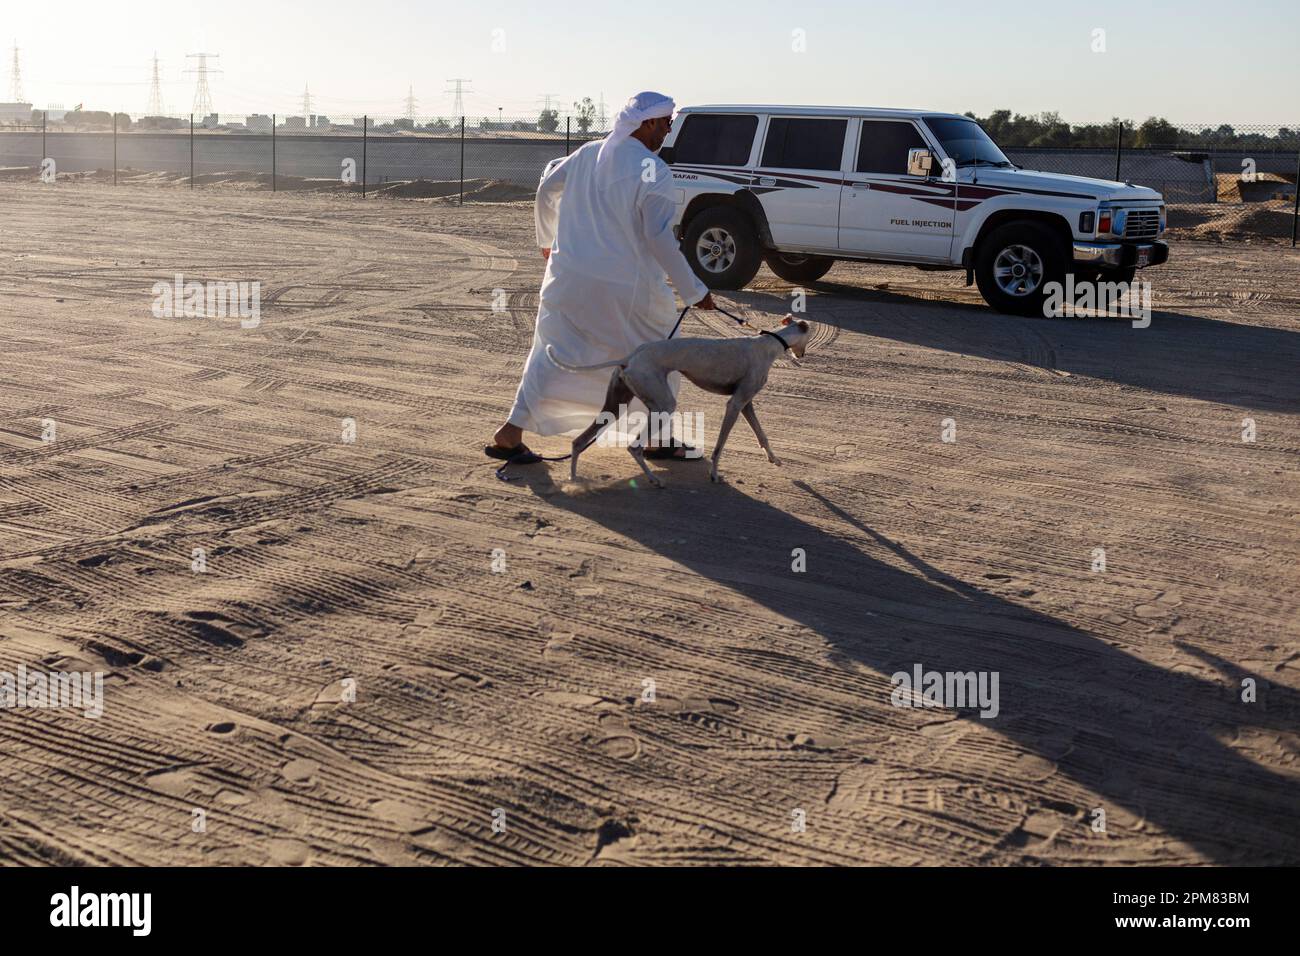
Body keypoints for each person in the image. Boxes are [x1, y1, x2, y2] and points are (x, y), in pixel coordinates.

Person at [485, 90, 717, 463]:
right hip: (628, 292)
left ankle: (510, 432)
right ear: (650, 123)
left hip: (567, 280)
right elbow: (659, 238)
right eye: (667, 124)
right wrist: (694, 290)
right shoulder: (653, 170)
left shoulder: (588, 152)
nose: (668, 133)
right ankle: (657, 438)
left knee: (549, 354)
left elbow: (546, 189)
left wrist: (547, 241)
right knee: (658, 358)